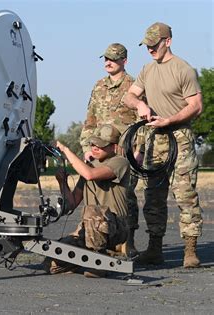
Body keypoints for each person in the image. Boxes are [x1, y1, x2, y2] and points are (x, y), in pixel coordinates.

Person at [123, 22, 203, 268]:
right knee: (153, 196)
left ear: (167, 41)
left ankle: (190, 250)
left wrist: (170, 119)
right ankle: (155, 249)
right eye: (146, 46)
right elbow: (129, 95)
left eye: (154, 44)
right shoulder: (147, 70)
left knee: (185, 194)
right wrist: (140, 105)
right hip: (155, 139)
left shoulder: (183, 69)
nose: (149, 49)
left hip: (179, 138)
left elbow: (196, 106)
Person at [79, 43, 141, 257]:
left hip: (123, 153)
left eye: (113, 59)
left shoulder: (133, 86)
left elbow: (142, 123)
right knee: (97, 194)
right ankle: (98, 240)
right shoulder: (99, 86)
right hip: (99, 150)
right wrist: (87, 147)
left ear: (124, 61)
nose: (108, 62)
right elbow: (90, 120)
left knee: (126, 198)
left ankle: (127, 242)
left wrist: (138, 151)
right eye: (106, 58)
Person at [45, 124, 130, 278]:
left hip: (116, 227)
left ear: (114, 147)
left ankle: (98, 259)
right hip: (90, 231)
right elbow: (71, 203)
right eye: (93, 144)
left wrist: (66, 150)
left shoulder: (120, 162)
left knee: (93, 211)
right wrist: (62, 182)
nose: (95, 147)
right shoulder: (89, 166)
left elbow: (90, 175)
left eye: (101, 145)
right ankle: (93, 259)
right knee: (52, 263)